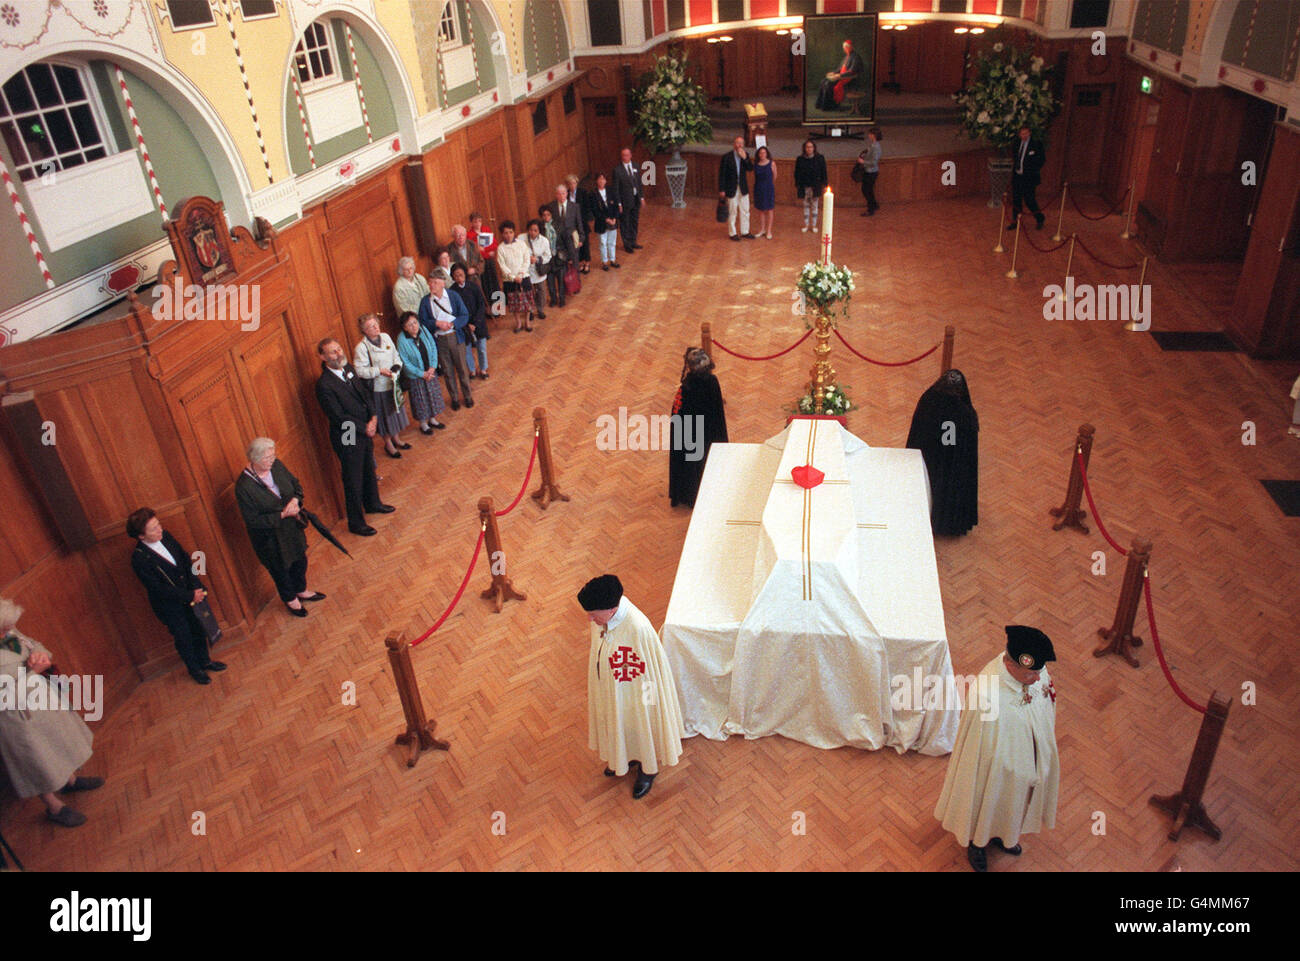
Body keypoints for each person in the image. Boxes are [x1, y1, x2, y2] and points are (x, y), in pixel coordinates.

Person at [934, 625, 1060, 872]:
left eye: (1039, 672)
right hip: (995, 769)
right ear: (1011, 665)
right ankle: (977, 843)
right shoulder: (986, 695)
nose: (1037, 679)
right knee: (989, 798)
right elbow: (979, 752)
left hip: (1027, 764)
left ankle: (1006, 835)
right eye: (1030, 675)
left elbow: (1044, 703)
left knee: (1014, 803)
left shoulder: (1035, 673)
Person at [578, 575, 684, 800]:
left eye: (593, 614)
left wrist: (649, 706)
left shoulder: (637, 628)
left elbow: (648, 675)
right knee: (618, 720)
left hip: (639, 694)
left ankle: (647, 769)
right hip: (614, 688)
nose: (590, 619)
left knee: (641, 722)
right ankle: (625, 757)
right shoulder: (603, 618)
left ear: (611, 610)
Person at [0, 597, 103, 827]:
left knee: (58, 742)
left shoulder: (6, 627)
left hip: (41, 701)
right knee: (36, 762)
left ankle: (70, 780)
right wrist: (33, 673)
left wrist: (40, 655)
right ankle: (54, 807)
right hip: (17, 718)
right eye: (4, 630)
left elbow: (32, 643)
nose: (8, 632)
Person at [127, 508, 226, 682]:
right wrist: (189, 596)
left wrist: (196, 588)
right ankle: (194, 670)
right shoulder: (139, 558)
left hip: (191, 595)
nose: (160, 530)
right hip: (171, 606)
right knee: (184, 637)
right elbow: (157, 589)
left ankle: (205, 661)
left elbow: (186, 561)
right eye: (153, 529)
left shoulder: (167, 536)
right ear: (141, 536)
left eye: (158, 525)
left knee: (198, 628)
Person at [315, 337, 395, 536]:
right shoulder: (324, 384)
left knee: (369, 465)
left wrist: (374, 416)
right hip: (348, 434)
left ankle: (373, 503)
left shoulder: (348, 368)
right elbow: (337, 416)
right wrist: (364, 427)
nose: (338, 354)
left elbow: (364, 394)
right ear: (323, 357)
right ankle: (356, 522)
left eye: (339, 349)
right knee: (353, 476)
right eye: (333, 352)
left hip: (366, 426)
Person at [235, 439, 324, 619]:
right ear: (254, 459)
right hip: (270, 538)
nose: (272, 460)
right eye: (267, 458)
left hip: (291, 528)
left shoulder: (276, 465)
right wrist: (282, 515)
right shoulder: (244, 487)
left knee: (300, 561)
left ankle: (301, 590)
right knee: (280, 570)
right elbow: (252, 520)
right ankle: (290, 599)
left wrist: (295, 500)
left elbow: (295, 485)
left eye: (272, 455)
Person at [905, 368, 979, 536]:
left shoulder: (928, 399)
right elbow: (951, 443)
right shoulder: (960, 412)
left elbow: (920, 427)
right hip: (947, 466)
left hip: (926, 457)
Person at [668, 348, 729, 508]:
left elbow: (679, 412)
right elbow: (716, 410)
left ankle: (688, 495)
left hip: (689, 432)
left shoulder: (688, 386)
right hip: (710, 431)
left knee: (690, 463)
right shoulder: (712, 382)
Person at [354, 313, 409, 459]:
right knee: (385, 417)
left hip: (393, 383)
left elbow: (395, 355)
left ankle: (397, 439)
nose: (375, 328)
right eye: (370, 327)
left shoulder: (385, 337)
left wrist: (397, 366)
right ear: (364, 330)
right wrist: (379, 371)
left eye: (376, 324)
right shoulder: (361, 348)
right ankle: (388, 444)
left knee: (395, 412)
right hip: (378, 388)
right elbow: (360, 370)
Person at [418, 268, 475, 408]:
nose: (432, 285)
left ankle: (467, 396)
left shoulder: (453, 296)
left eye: (435, 282)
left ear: (443, 283)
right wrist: (437, 323)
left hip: (456, 337)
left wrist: (453, 324)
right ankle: (454, 398)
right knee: (448, 371)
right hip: (440, 341)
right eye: (430, 282)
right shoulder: (425, 302)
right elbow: (422, 321)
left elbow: (464, 315)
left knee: (462, 368)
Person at [395, 310, 447, 431]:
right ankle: (423, 424)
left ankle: (433, 419)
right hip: (416, 376)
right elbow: (405, 361)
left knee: (433, 396)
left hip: (430, 371)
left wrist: (432, 367)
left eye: (415, 322)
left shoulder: (423, 330)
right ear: (404, 328)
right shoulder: (401, 340)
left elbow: (433, 346)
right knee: (421, 400)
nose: (414, 326)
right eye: (410, 324)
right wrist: (421, 373)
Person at [494, 220, 535, 334]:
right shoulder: (501, 248)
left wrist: (521, 273)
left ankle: (527, 321)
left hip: (524, 277)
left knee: (527, 302)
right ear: (502, 234)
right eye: (506, 233)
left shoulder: (521, 244)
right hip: (510, 281)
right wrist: (513, 277)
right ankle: (518, 323)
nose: (508, 235)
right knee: (514, 303)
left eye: (511, 232)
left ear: (514, 232)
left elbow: (527, 259)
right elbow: (502, 266)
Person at [451, 264, 489, 379]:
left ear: (465, 274)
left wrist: (475, 323)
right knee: (467, 350)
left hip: (478, 322)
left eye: (461, 274)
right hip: (463, 326)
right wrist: (466, 324)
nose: (459, 277)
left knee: (481, 348)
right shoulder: (452, 291)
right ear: (453, 277)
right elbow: (454, 311)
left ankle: (483, 369)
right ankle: (472, 370)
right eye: (456, 275)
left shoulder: (473, 286)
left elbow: (481, 305)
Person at [548, 185, 582, 305]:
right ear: (556, 194)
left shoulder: (574, 206)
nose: (561, 196)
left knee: (574, 262)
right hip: (558, 241)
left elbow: (579, 223)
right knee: (562, 264)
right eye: (559, 194)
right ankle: (564, 289)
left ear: (567, 194)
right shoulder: (551, 206)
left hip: (572, 238)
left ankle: (575, 285)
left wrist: (581, 238)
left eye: (563, 193)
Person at [1009, 125, 1046, 230]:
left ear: (1029, 133)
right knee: (1016, 200)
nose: (1024, 135)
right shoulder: (1016, 143)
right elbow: (1016, 157)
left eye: (1026, 133)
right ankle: (1015, 221)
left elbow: (1042, 159)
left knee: (1030, 200)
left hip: (1029, 178)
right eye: (1022, 133)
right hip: (1017, 177)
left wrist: (1032, 170)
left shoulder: (1036, 144)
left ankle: (1040, 218)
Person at [718, 136, 755, 241]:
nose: (739, 145)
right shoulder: (726, 157)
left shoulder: (745, 155)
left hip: (743, 188)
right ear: (734, 144)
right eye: (737, 143)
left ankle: (745, 231)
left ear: (743, 145)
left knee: (745, 210)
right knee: (732, 211)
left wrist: (745, 158)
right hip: (731, 188)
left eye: (741, 143)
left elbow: (750, 169)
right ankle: (732, 233)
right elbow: (722, 175)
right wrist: (722, 189)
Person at [815, 38, 864, 112]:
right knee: (823, 81)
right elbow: (840, 68)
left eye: (846, 48)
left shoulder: (855, 57)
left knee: (828, 84)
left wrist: (840, 76)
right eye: (844, 48)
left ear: (850, 47)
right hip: (842, 76)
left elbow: (852, 71)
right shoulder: (846, 57)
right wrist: (834, 73)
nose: (845, 49)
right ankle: (820, 104)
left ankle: (831, 106)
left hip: (849, 78)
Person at [611, 147, 644, 254]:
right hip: (625, 201)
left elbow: (639, 183)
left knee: (634, 221)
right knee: (625, 222)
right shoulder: (617, 170)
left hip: (635, 199)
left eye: (627, 155)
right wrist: (619, 203)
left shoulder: (636, 166)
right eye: (623, 155)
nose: (625, 157)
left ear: (631, 155)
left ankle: (633, 241)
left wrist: (641, 197)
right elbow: (615, 188)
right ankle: (627, 244)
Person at [793, 139, 828, 234]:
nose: (809, 149)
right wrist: (797, 184)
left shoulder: (819, 158)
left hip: (815, 186)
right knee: (806, 206)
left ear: (814, 148)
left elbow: (824, 172)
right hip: (804, 186)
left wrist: (825, 184)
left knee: (815, 206)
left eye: (811, 147)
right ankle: (806, 224)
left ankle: (814, 225)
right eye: (807, 147)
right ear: (804, 148)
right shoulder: (800, 159)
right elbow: (796, 173)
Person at [590, 171, 621, 270]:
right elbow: (595, 210)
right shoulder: (593, 194)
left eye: (603, 179)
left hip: (613, 220)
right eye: (600, 179)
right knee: (603, 243)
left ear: (606, 180)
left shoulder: (611, 191)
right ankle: (604, 262)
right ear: (596, 181)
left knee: (612, 242)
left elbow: (616, 205)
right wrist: (606, 219)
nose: (602, 181)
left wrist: (615, 218)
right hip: (601, 222)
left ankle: (613, 259)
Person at [467, 212, 500, 300]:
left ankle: (499, 306)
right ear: (471, 223)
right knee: (485, 283)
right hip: (480, 262)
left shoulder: (486, 230)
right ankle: (489, 307)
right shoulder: (469, 235)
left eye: (479, 221)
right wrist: (485, 252)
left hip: (489, 259)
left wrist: (485, 250)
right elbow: (474, 251)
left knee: (494, 281)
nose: (478, 224)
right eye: (475, 222)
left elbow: (494, 244)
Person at [524, 218, 552, 321]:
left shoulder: (544, 241)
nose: (532, 232)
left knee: (541, 291)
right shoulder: (522, 238)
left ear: (539, 231)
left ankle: (540, 310)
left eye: (535, 230)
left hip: (538, 270)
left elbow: (548, 256)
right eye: (531, 230)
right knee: (528, 292)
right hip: (526, 271)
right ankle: (530, 311)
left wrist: (537, 259)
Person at [565, 173, 593, 273]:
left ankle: (587, 263)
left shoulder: (583, 193)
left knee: (585, 244)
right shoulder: (566, 194)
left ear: (577, 183)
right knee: (576, 244)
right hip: (572, 225)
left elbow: (587, 207)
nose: (572, 185)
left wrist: (585, 219)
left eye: (574, 183)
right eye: (570, 184)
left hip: (582, 223)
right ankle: (580, 262)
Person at [445, 225, 485, 291]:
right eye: (458, 235)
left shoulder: (472, 245)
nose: (461, 237)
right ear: (453, 236)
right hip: (460, 284)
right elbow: (449, 268)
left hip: (475, 281)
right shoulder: (448, 250)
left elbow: (481, 262)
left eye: (463, 235)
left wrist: (475, 270)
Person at [752, 145, 777, 239]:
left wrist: (769, 184)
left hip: (768, 188)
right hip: (758, 188)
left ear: (767, 154)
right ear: (758, 154)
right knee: (761, 210)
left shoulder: (772, 163)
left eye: (764, 152)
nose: (762, 154)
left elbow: (775, 176)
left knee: (770, 209)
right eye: (760, 153)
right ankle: (762, 229)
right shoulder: (756, 164)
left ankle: (769, 230)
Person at [856, 127, 882, 216]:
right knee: (868, 190)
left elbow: (874, 162)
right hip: (869, 171)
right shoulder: (873, 145)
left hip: (871, 172)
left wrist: (863, 162)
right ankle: (874, 205)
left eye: (870, 134)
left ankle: (871, 209)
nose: (869, 135)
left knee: (867, 190)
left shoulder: (876, 147)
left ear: (873, 135)